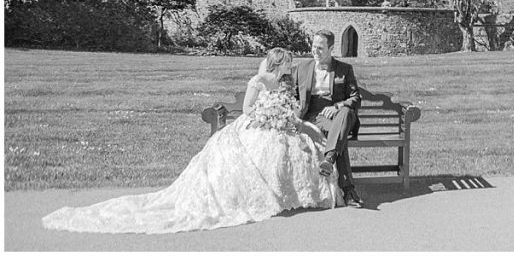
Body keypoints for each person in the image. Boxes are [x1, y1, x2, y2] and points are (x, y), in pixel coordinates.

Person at [41, 48, 339, 234]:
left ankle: (295, 195)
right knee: (264, 149)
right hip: (257, 122)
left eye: (289, 63)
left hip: (279, 123)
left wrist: (284, 116)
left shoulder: (285, 82)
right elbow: (248, 109)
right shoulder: (257, 82)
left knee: (299, 145)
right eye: (286, 63)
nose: (289, 67)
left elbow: (289, 103)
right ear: (276, 63)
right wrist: (264, 113)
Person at [295, 30, 363, 208]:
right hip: (312, 116)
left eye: (320, 48)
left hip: (336, 114)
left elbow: (356, 98)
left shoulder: (344, 69)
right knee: (338, 136)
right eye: (313, 47)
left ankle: (329, 159)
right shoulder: (302, 68)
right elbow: (291, 95)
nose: (315, 51)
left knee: (346, 113)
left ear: (331, 48)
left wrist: (337, 106)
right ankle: (348, 191)